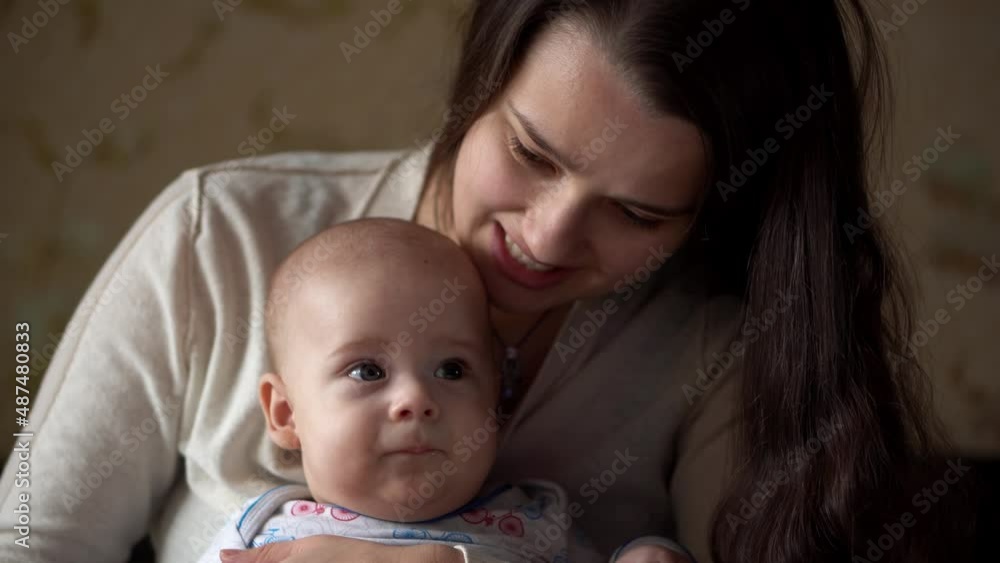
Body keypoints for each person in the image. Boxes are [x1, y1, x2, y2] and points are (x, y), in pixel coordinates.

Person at [0, 1, 972, 562]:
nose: (544, 238)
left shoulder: (711, 344)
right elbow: (32, 539)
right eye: (529, 151)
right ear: (482, 83)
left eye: (636, 213)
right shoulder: (223, 233)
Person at [196, 218, 690, 563]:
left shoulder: (536, 526)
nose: (415, 398)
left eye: (452, 370)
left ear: (495, 398)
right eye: (367, 371)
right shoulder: (261, 534)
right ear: (285, 413)